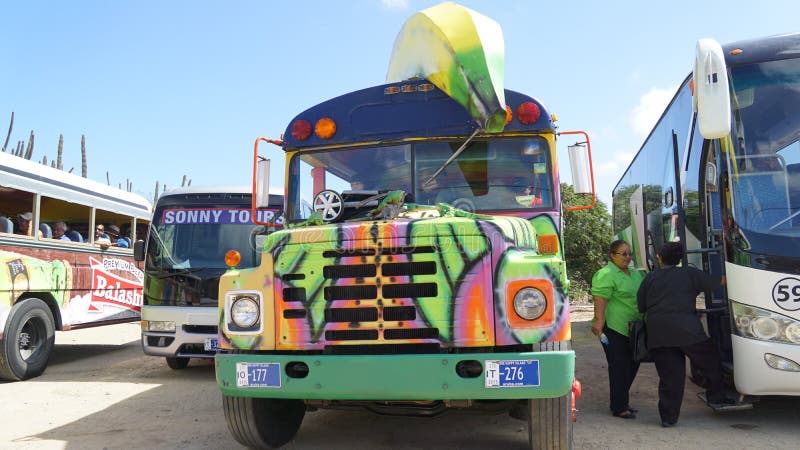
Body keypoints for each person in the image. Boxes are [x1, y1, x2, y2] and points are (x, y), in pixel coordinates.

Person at [637, 242, 732, 427]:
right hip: (688, 331)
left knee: (670, 377)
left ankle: (668, 418)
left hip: (659, 333)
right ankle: (717, 398)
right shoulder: (689, 274)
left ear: (659, 257)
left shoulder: (650, 278)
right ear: (680, 258)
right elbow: (719, 282)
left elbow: (642, 306)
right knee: (710, 361)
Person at [591, 239, 644, 419]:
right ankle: (619, 407)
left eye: (629, 254)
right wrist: (598, 321)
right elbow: (600, 298)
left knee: (633, 364)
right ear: (612, 255)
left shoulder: (634, 274)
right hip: (614, 328)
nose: (628, 257)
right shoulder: (605, 274)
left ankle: (622, 400)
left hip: (634, 328)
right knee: (619, 367)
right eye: (623, 254)